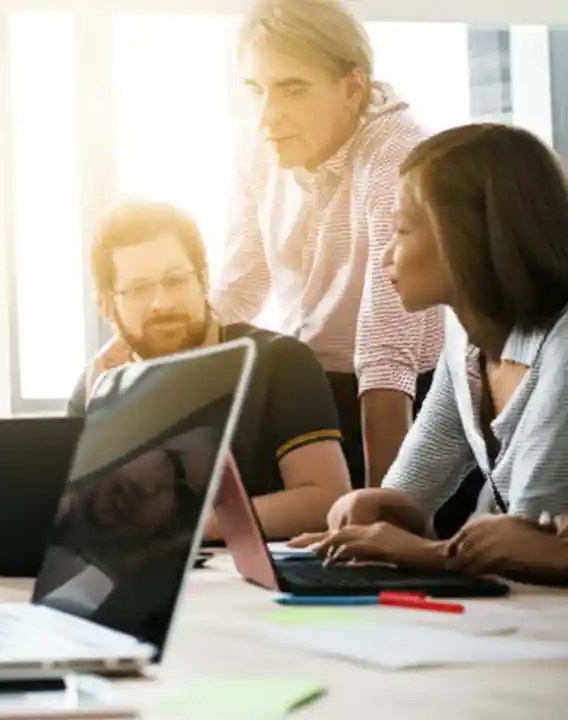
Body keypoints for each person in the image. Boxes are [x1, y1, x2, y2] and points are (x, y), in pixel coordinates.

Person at [290, 123, 568, 578]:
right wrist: (377, 512)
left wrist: (427, 552)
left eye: (401, 230)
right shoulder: (465, 341)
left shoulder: (563, 347)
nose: (386, 256)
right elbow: (408, 493)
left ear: (467, 238)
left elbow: (526, 542)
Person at [212, 0, 444, 489]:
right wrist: (139, 362)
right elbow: (240, 288)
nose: (267, 117)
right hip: (307, 390)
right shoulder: (258, 146)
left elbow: (387, 352)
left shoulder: (398, 157)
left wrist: (383, 508)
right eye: (256, 90)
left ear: (352, 88)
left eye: (292, 89)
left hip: (403, 401)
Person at [68, 201, 349, 539]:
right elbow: (77, 524)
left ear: (203, 279)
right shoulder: (95, 387)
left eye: (175, 280)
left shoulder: (279, 362)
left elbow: (325, 499)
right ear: (106, 304)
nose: (162, 303)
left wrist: (186, 530)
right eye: (140, 288)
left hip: (255, 569)